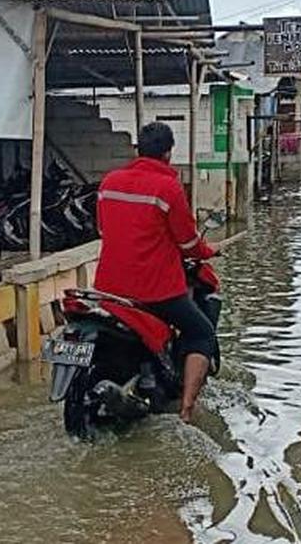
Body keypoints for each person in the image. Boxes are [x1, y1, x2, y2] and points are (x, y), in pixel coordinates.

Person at [93, 122, 217, 423]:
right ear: (169, 153)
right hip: (155, 291)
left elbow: (102, 229)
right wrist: (208, 251)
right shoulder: (168, 188)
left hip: (109, 289)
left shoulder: (109, 182)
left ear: (138, 149)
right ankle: (187, 408)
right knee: (201, 332)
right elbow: (188, 242)